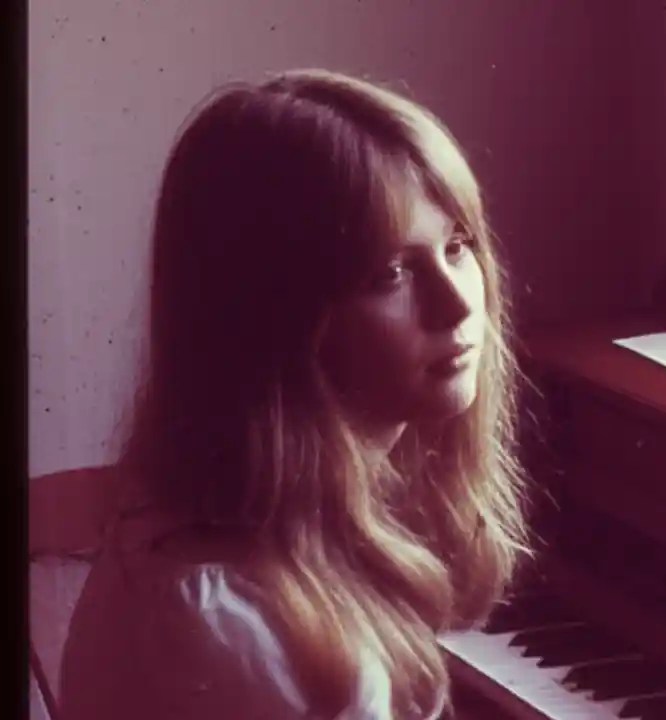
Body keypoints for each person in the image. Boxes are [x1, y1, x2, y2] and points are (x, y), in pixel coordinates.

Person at [58, 68, 533, 720]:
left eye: (458, 246)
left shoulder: (309, 530)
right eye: (389, 273)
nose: (457, 305)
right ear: (271, 316)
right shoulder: (223, 627)